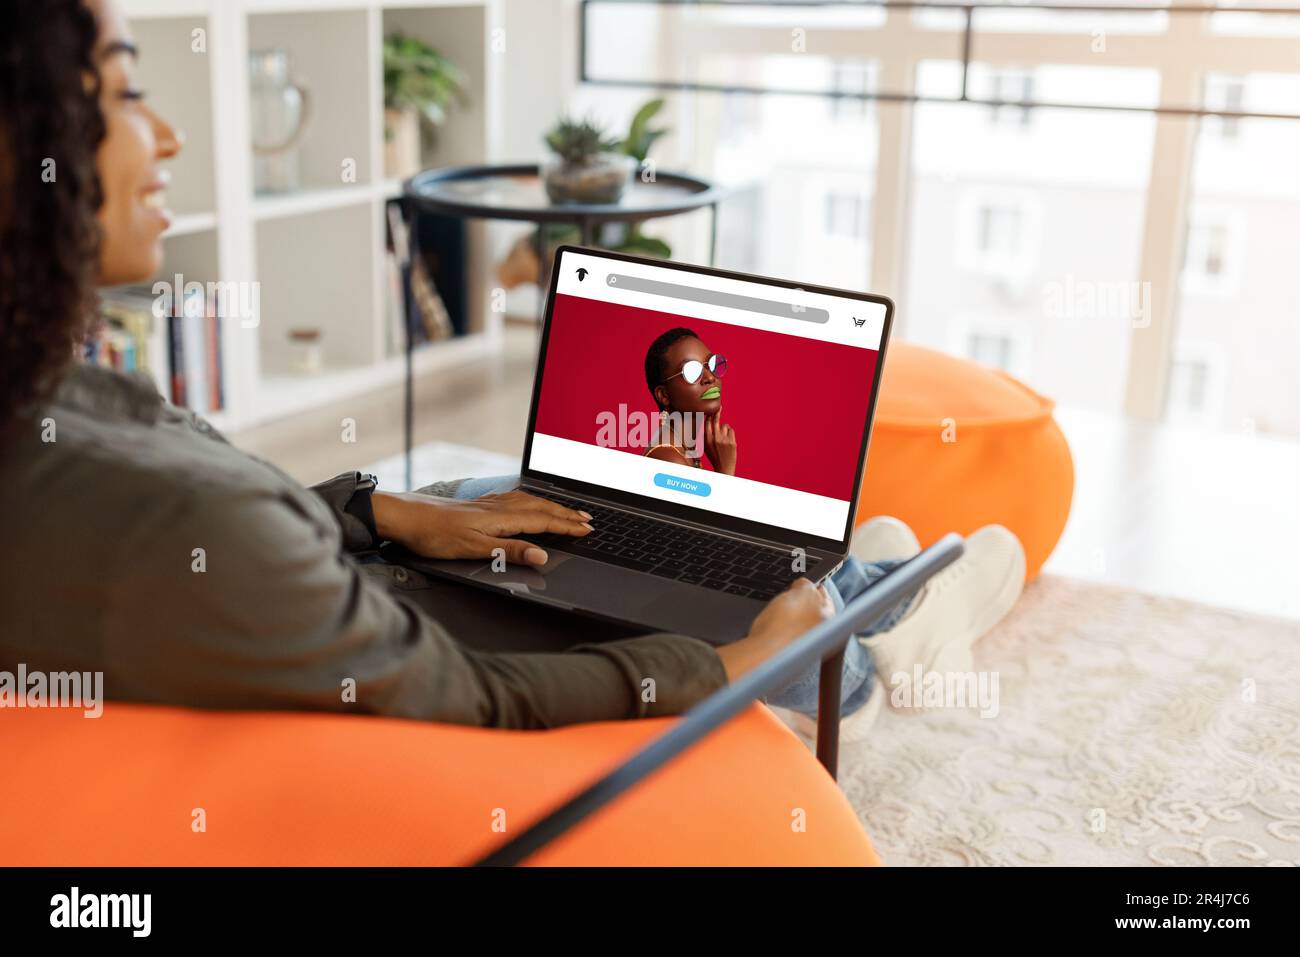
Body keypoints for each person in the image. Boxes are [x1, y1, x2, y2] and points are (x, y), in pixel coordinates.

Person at [0, 0, 1024, 740]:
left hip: (355, 570)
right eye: (128, 89)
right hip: (413, 636)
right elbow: (480, 701)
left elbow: (223, 535)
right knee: (752, 597)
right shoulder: (162, 515)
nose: (169, 133)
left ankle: (862, 578)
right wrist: (739, 664)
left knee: (505, 500)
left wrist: (376, 507)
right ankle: (890, 626)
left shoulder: (49, 410)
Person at [642, 327, 736, 475]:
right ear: (664, 394)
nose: (710, 378)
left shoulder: (685, 449)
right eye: (692, 371)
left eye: (711, 364)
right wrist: (725, 469)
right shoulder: (669, 460)